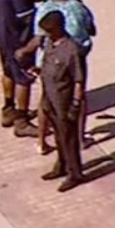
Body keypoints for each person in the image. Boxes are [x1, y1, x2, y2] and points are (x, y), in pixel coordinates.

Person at [17, 0, 98, 153]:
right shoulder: (78, 7)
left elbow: (38, 38)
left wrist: (23, 52)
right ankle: (80, 139)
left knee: (46, 100)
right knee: (79, 97)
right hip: (76, 58)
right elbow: (92, 30)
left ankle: (41, 141)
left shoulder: (45, 10)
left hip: (51, 60)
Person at [0, 0, 45, 137]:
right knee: (24, 78)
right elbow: (28, 16)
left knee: (8, 71)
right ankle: (21, 121)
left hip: (2, 35)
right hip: (17, 40)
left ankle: (8, 110)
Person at [35, 10, 87, 192]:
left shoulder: (72, 50)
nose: (46, 34)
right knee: (58, 136)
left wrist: (75, 105)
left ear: (58, 28)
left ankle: (75, 173)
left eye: (49, 30)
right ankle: (61, 165)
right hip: (49, 98)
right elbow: (46, 66)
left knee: (69, 138)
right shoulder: (51, 43)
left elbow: (79, 81)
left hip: (64, 103)